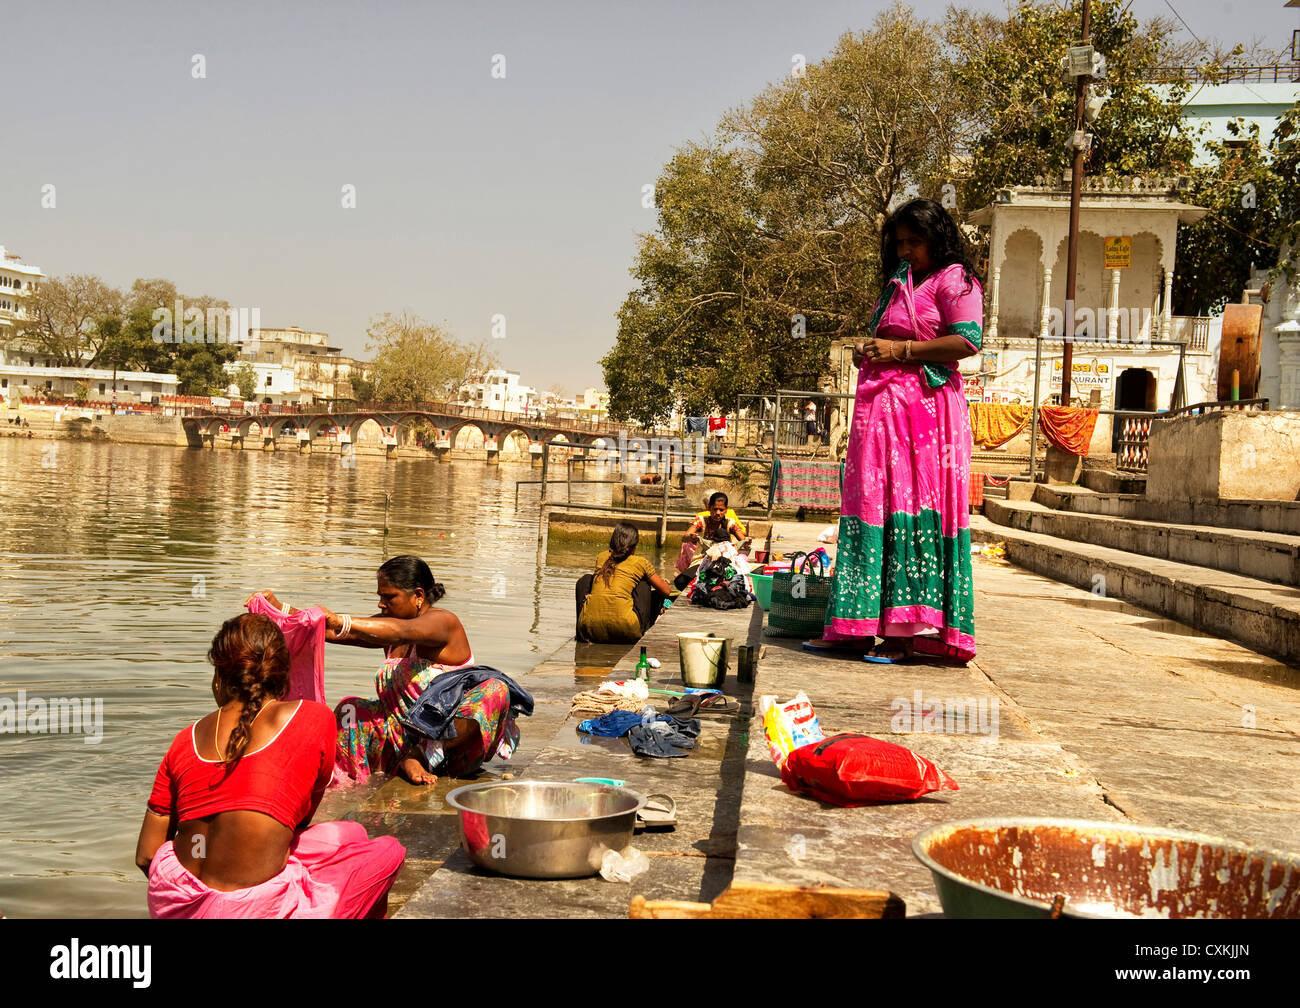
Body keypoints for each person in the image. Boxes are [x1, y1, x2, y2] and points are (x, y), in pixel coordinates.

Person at [135, 613, 405, 918]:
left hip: (174, 902)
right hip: (254, 909)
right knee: (384, 851)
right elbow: (298, 819)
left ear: (219, 676)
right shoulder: (315, 718)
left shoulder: (185, 739)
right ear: (282, 674)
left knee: (348, 835)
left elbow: (146, 855)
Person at [809, 198, 982, 664]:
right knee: (870, 507)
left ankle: (906, 634)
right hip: (880, 410)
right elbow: (890, 335)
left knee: (909, 509)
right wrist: (871, 352)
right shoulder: (897, 282)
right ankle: (856, 626)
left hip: (925, 415)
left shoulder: (955, 280)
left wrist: (900, 351)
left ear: (936, 240)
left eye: (914, 242)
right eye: (899, 242)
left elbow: (967, 341)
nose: (906, 250)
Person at [248, 555, 520, 787]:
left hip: (450, 744)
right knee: (350, 709)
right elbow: (329, 629)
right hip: (399, 735)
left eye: (388, 597)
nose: (381, 604)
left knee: (495, 689)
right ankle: (335, 780)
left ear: (418, 596)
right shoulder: (388, 626)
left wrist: (341, 619)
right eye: (379, 597)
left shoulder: (442, 621)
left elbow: (404, 631)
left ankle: (421, 757)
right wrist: (278, 608)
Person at [577, 523, 676, 644]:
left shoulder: (601, 557)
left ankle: (580, 629)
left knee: (586, 580)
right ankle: (643, 630)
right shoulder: (640, 562)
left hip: (589, 628)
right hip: (627, 630)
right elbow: (666, 591)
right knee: (643, 584)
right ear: (634, 546)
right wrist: (662, 582)